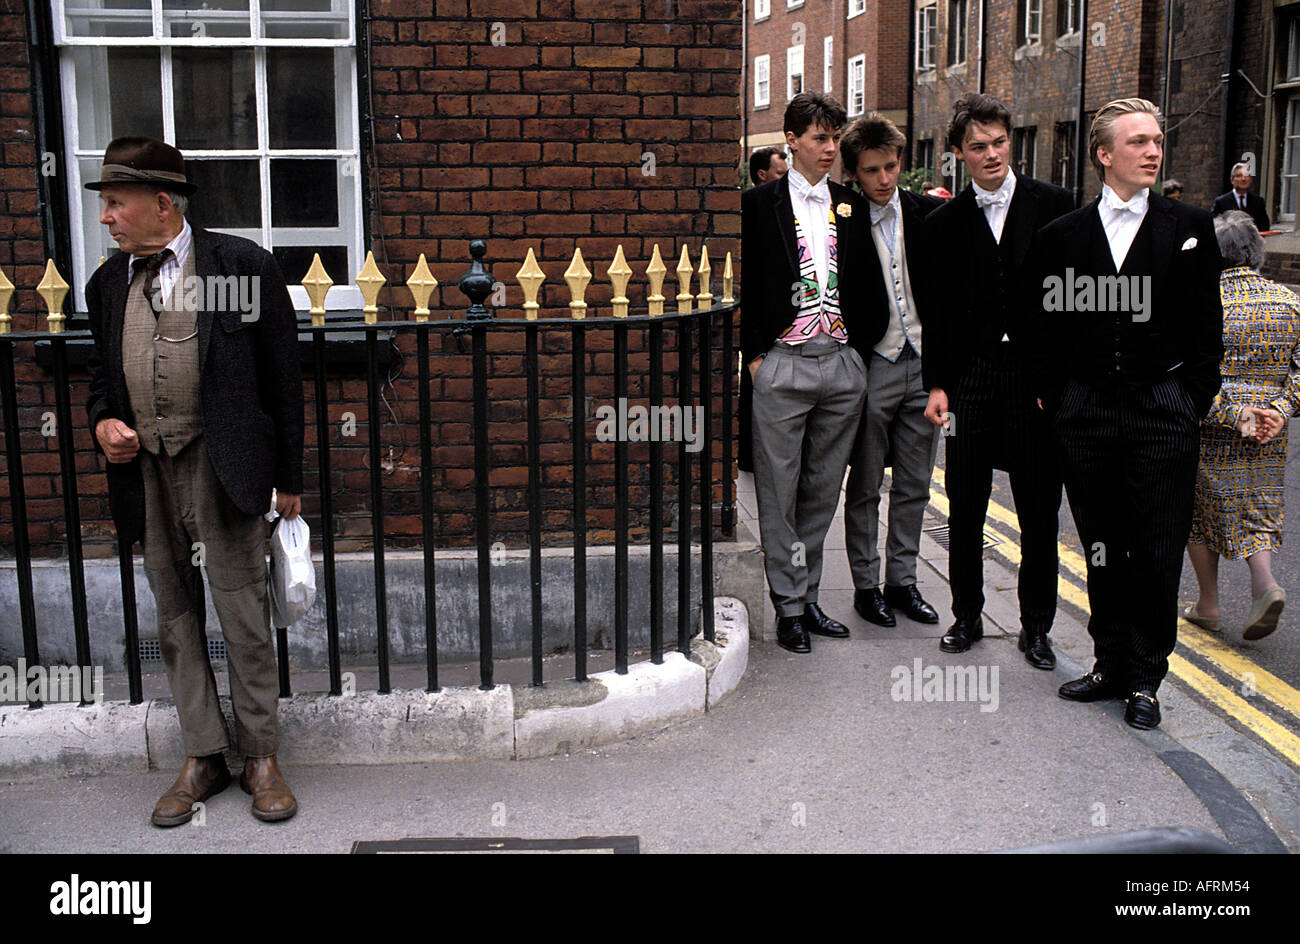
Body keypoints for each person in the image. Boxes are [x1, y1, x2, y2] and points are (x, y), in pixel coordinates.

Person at [83, 137, 305, 824]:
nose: (106, 217)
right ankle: (204, 755)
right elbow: (101, 378)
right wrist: (102, 425)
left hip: (224, 463)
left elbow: (283, 378)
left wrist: (288, 478)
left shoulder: (239, 265)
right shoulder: (104, 284)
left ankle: (260, 755)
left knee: (243, 612)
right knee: (175, 620)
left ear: (160, 203)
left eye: (115, 203)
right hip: (146, 469)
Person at [1029, 99, 1224, 729]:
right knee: (1103, 545)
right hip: (1086, 414)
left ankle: (1146, 676)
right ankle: (1109, 663)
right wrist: (1059, 399)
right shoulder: (1062, 236)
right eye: (1138, 141)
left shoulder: (1191, 227)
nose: (1153, 151)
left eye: (1158, 140)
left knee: (1158, 546)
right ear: (1104, 155)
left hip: (1163, 411)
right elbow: (1044, 329)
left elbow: (1205, 331)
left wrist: (1192, 400)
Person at [922, 93, 1074, 667]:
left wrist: (1056, 378)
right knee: (965, 505)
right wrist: (938, 385)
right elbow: (934, 313)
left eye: (1000, 142)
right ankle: (967, 617)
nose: (992, 154)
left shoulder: (1056, 205)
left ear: (1012, 142)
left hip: (1034, 381)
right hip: (971, 381)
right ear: (959, 153)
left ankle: (1036, 628)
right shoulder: (942, 223)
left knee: (1039, 512)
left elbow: (1071, 302)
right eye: (978, 146)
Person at [740, 92, 887, 653]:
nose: (831, 148)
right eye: (821, 138)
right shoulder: (758, 204)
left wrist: (858, 355)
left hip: (841, 365)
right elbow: (746, 285)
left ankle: (809, 596)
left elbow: (871, 286)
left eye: (834, 137)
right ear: (791, 141)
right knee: (779, 492)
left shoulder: (849, 204)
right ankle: (787, 606)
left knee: (823, 491)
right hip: (783, 364)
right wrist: (756, 357)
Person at [838, 113, 944, 628]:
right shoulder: (843, 219)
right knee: (864, 484)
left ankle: (902, 582)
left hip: (922, 364)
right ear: (854, 173)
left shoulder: (928, 213)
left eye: (891, 166)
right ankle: (866, 586)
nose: (884, 179)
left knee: (915, 483)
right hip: (872, 364)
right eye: (872, 170)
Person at [1184, 210, 1298, 640]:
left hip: (1215, 427)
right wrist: (1279, 412)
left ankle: (1209, 604)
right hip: (1270, 426)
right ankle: (1265, 584)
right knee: (1260, 503)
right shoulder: (1290, 301)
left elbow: (1191, 375)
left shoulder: (1201, 302)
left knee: (1199, 512)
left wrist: (1239, 417)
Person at [1212, 163, 1270, 234]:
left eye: (1246, 175)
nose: (1243, 179)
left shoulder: (1258, 201)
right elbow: (1214, 225)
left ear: (1251, 179)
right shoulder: (1221, 202)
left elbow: (1264, 226)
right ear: (1232, 180)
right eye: (1239, 176)